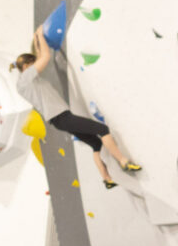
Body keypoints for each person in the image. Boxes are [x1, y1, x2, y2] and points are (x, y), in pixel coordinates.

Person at [10, 24, 140, 188]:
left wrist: (37, 39)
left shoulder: (27, 82)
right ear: (27, 66)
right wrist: (41, 37)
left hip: (59, 119)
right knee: (102, 130)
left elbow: (39, 55)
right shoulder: (25, 78)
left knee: (96, 144)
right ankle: (123, 161)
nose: (37, 66)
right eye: (33, 63)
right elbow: (45, 57)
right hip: (61, 117)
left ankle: (107, 179)